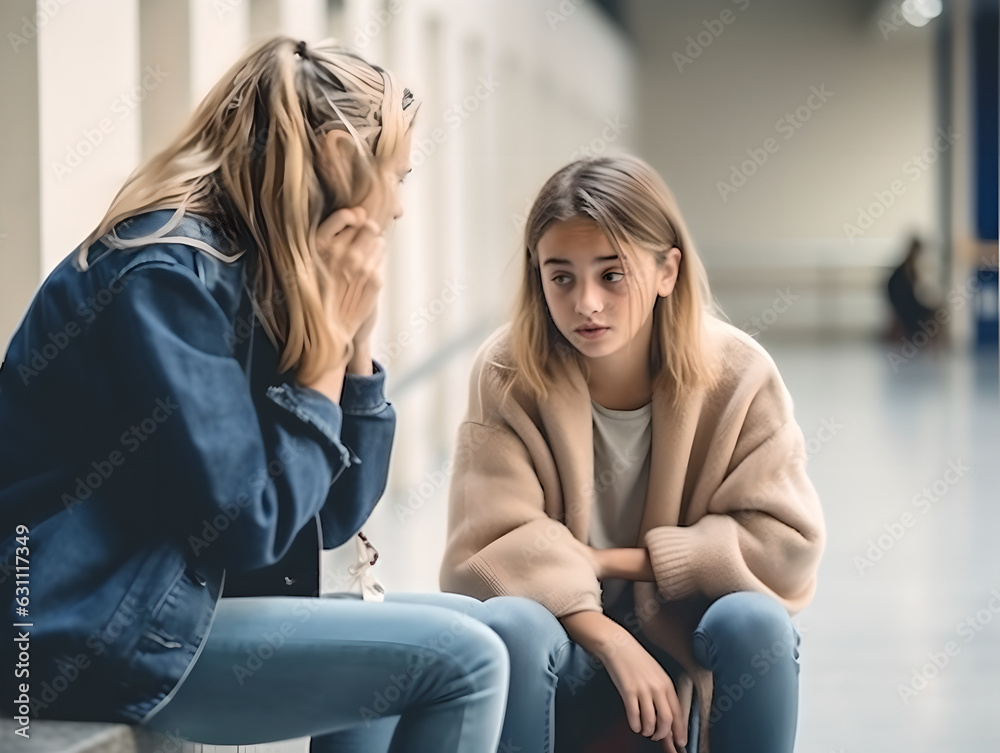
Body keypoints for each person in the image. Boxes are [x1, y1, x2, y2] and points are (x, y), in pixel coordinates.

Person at [0, 36, 537, 753]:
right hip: (82, 628)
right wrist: (321, 360)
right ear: (339, 157)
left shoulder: (264, 268)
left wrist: (354, 345)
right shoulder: (164, 277)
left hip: (156, 603)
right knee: (466, 660)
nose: (401, 208)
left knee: (499, 627)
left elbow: (334, 512)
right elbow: (248, 523)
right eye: (396, 177)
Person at [440, 155, 826, 753]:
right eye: (560, 276)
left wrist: (614, 562)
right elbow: (488, 545)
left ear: (667, 269)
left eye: (611, 274)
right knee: (513, 623)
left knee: (756, 623)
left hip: (686, 638)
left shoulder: (740, 374)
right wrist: (611, 639)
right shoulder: (505, 373)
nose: (586, 303)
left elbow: (785, 544)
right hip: (565, 641)